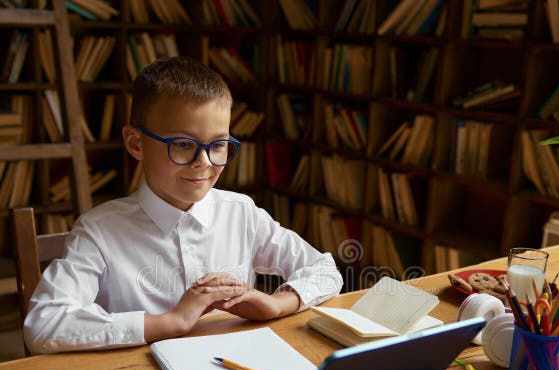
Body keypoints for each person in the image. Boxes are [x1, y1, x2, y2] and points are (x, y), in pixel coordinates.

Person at [23, 57, 343, 354]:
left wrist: (278, 303)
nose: (203, 163)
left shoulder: (241, 212)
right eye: (183, 145)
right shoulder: (100, 230)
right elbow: (44, 323)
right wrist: (171, 321)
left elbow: (326, 270)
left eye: (218, 145)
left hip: (236, 364)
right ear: (136, 143)